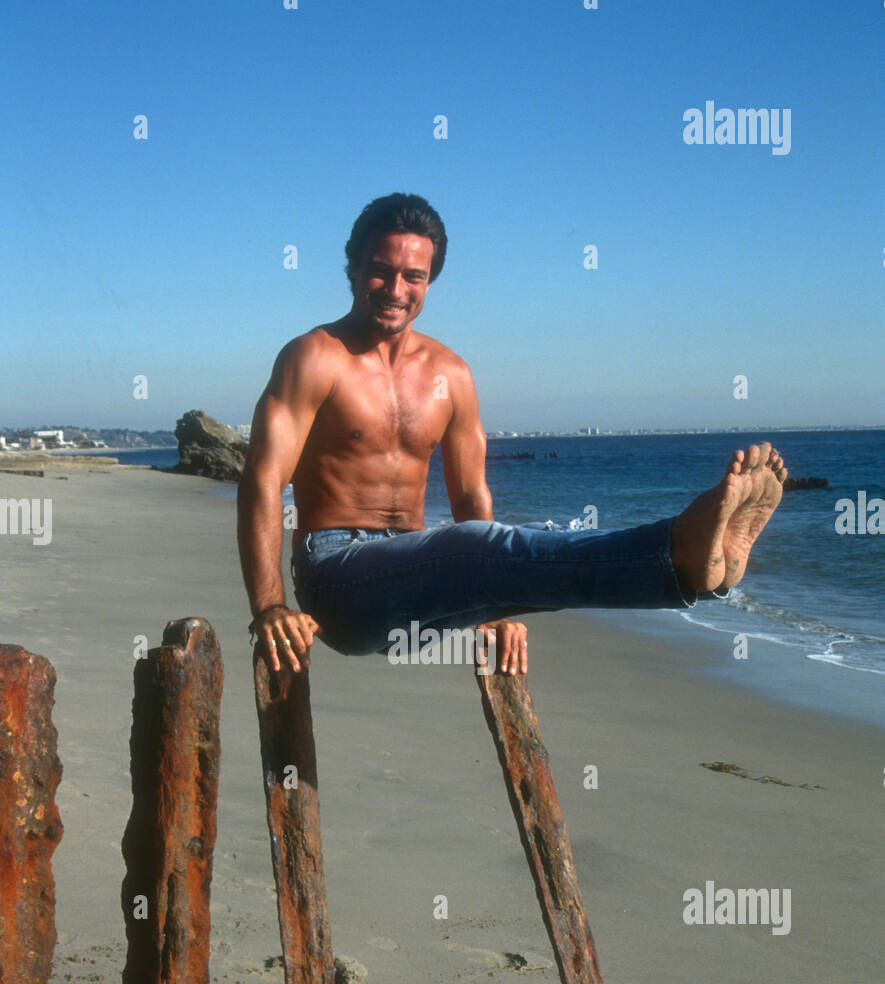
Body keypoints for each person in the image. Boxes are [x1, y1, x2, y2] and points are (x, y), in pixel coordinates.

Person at [237, 193, 786, 677]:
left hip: (424, 586)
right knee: (477, 545)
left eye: (414, 277)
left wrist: (495, 606)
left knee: (509, 545)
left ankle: (705, 570)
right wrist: (269, 606)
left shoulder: (450, 374)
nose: (395, 289)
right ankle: (678, 559)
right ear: (353, 268)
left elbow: (471, 497)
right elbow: (262, 480)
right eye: (380, 270)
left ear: (432, 281)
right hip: (339, 586)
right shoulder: (314, 357)